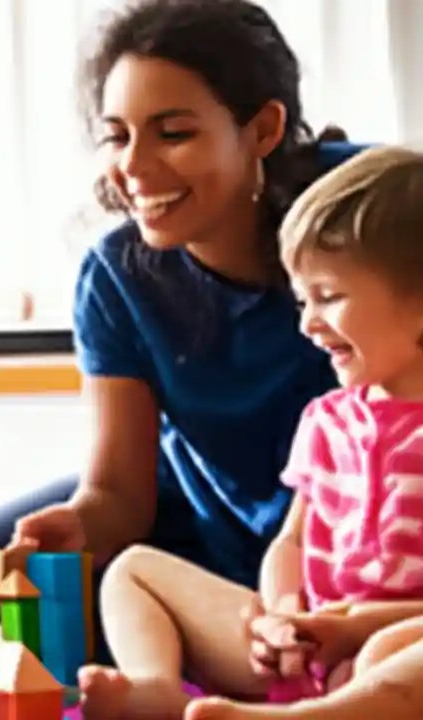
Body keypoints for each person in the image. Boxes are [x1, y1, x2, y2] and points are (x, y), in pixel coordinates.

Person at [0, 0, 364, 669]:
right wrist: (80, 526)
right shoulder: (117, 274)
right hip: (192, 519)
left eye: (172, 133)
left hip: (359, 516)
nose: (135, 168)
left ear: (263, 129)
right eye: (117, 137)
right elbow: (119, 490)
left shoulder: (369, 209)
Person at [144, 146, 423, 719]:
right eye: (302, 299)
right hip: (306, 645)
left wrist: (356, 626)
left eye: (330, 297)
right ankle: (157, 690)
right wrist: (280, 614)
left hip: (387, 645)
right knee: (134, 573)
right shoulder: (326, 420)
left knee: (389, 657)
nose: (307, 322)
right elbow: (291, 541)